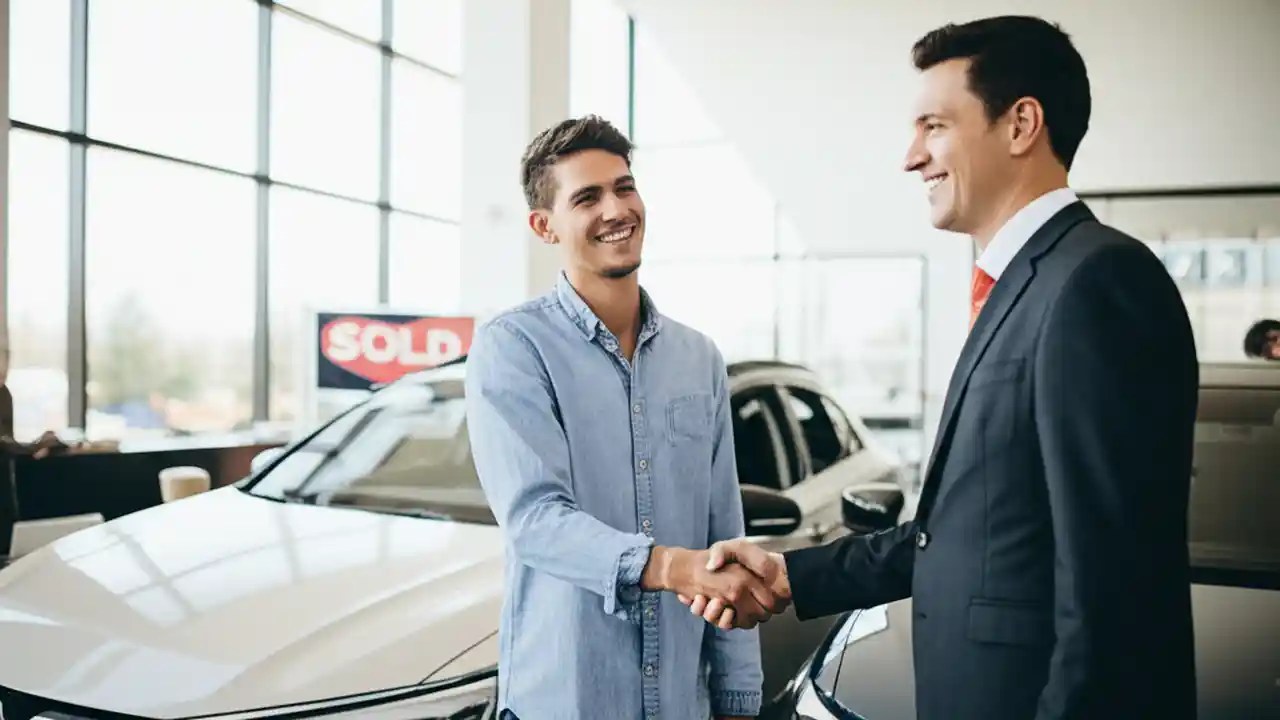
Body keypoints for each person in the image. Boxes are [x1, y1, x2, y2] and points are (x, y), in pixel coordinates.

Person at [684, 15, 1200, 720]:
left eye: (934, 126)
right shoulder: (1027, 285)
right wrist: (787, 574)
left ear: (1021, 125)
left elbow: (1116, 591)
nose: (911, 157)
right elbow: (962, 535)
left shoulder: (1097, 283)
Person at [465, 115, 785, 720]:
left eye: (624, 187)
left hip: (681, 704)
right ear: (544, 226)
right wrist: (669, 566)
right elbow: (535, 519)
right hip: (567, 702)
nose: (616, 209)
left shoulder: (699, 358)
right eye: (587, 197)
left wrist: (739, 694)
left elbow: (724, 529)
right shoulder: (514, 348)